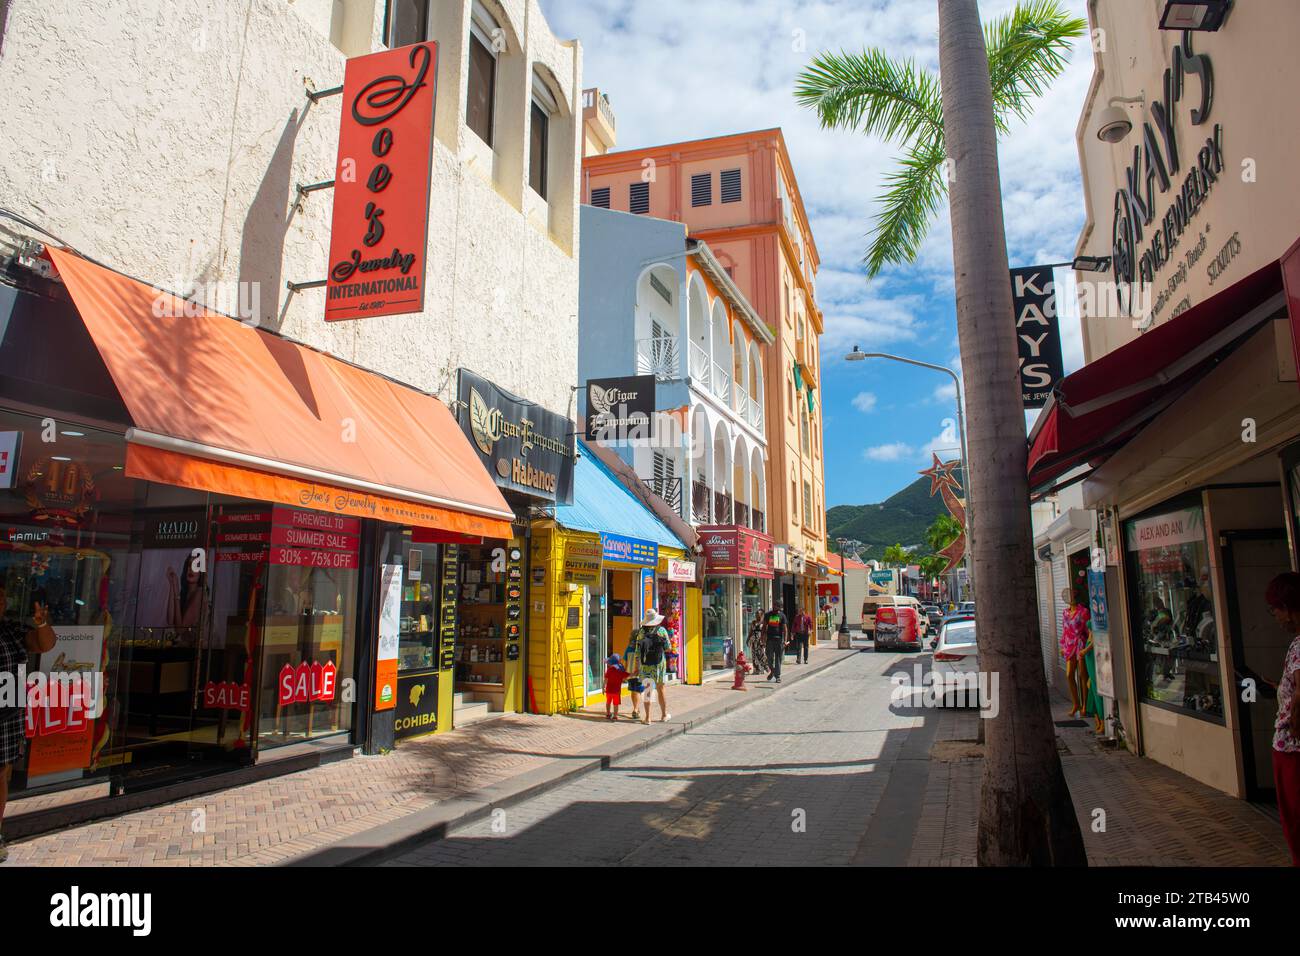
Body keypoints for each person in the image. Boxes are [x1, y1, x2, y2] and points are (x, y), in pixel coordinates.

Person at [0, 582, 58, 863]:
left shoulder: (11, 629)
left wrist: (42, 622)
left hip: (6, 712)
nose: (0, 602)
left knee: (1, 773)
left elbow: (45, 644)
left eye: (2, 597)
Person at [1264, 573, 1300, 866]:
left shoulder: (1299, 646)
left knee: (1295, 821)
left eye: (1275, 608)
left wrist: (1295, 727)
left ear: (1289, 607)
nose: (1275, 616)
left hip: (1292, 749)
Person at [634, 609, 672, 724]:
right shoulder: (661, 630)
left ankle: (647, 718)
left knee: (648, 690)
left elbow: (637, 652)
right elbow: (668, 648)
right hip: (659, 664)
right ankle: (664, 715)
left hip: (646, 664)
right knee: (661, 689)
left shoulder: (641, 633)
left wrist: (637, 667)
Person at [1060, 587, 1089, 718]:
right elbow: (1064, 630)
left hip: (1080, 644)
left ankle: (1085, 704)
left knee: (1083, 675)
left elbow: (1088, 631)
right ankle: (1075, 703)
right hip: (1068, 645)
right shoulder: (1065, 613)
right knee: (1069, 674)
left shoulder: (1083, 612)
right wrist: (1062, 645)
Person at [762, 604, 788, 683]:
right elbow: (764, 627)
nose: (777, 609)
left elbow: (785, 629)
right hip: (769, 640)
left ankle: (778, 676)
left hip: (779, 640)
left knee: (778, 658)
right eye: (776, 607)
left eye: (779, 607)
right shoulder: (767, 615)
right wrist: (762, 638)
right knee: (769, 657)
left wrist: (785, 640)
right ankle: (773, 671)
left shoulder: (782, 616)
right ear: (774, 606)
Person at [603, 653, 627, 721]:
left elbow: (605, 679)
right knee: (615, 704)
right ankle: (615, 716)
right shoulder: (620, 670)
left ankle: (608, 714)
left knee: (608, 702)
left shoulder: (609, 670)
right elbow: (625, 678)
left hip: (609, 690)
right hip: (616, 691)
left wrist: (603, 687)